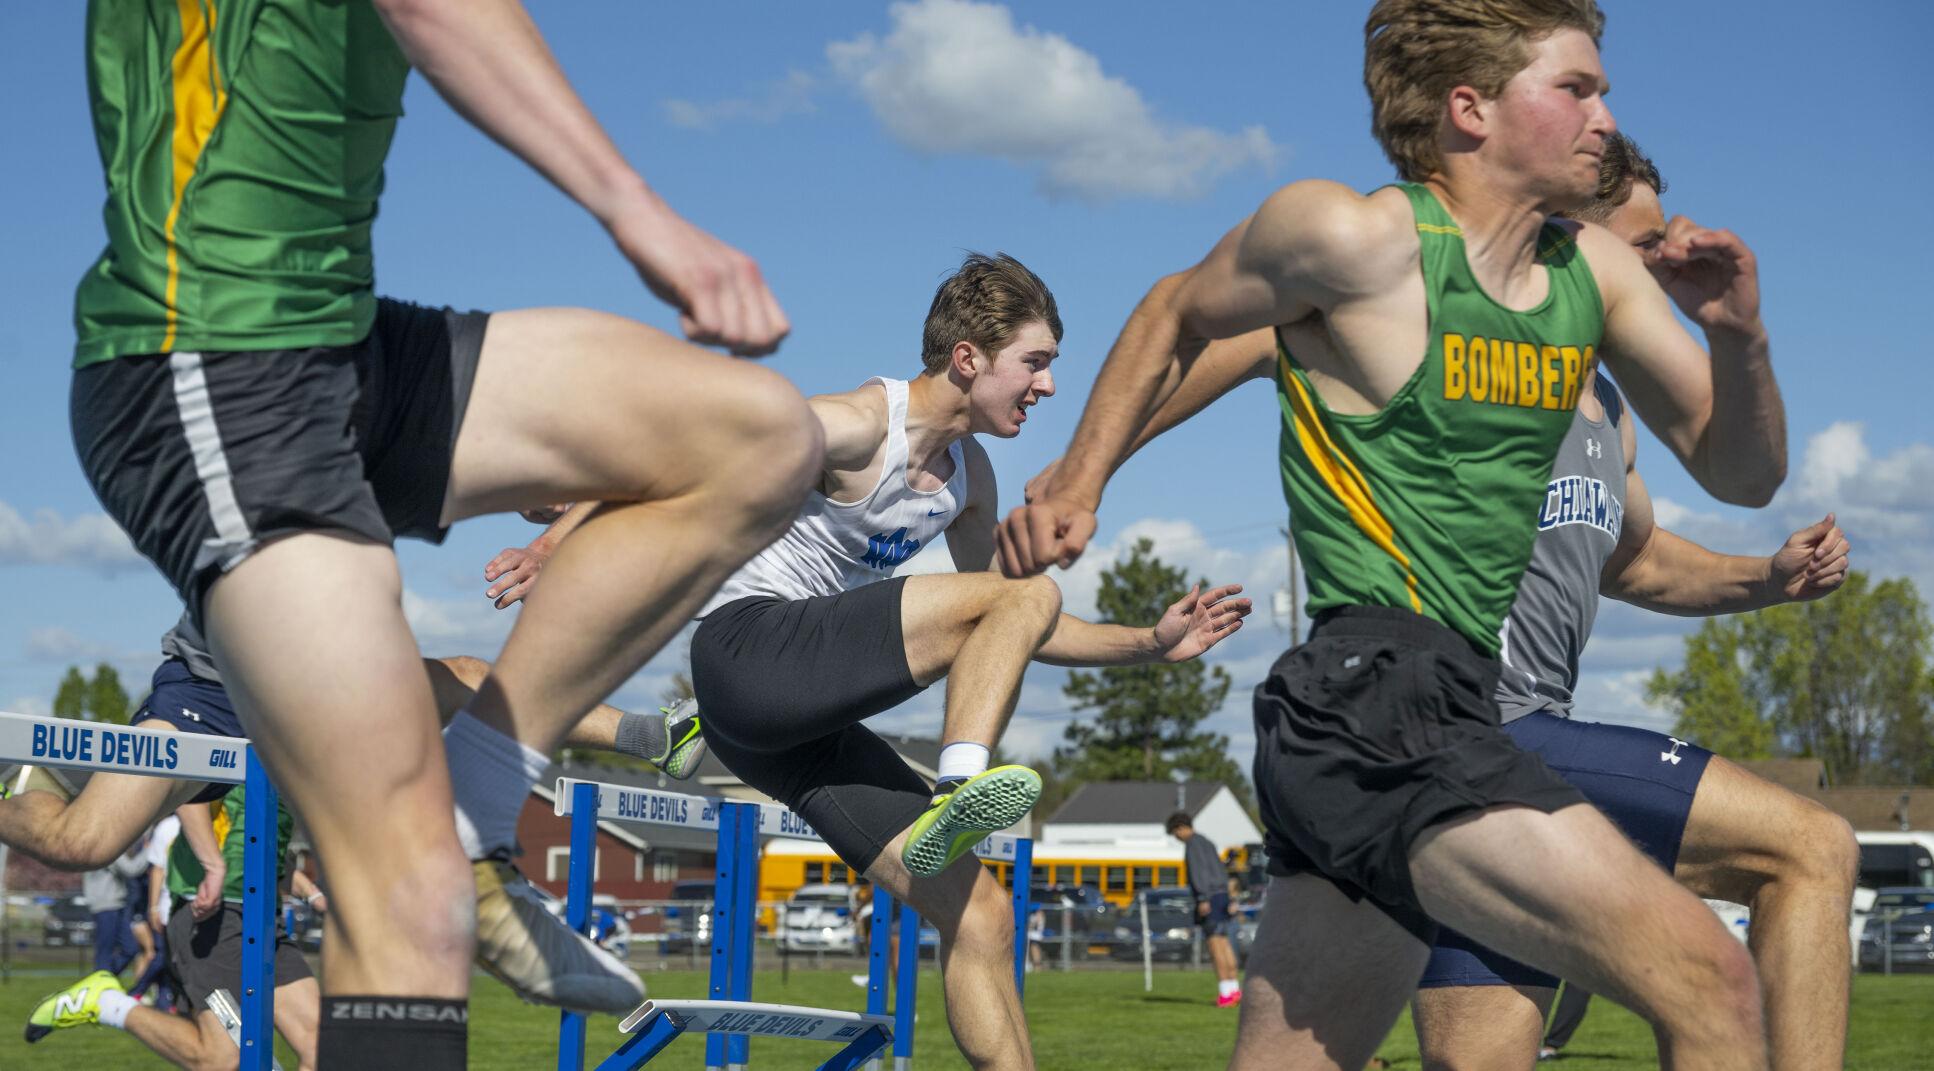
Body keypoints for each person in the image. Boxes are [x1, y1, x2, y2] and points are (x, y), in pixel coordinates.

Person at [999, 2, 1789, 1067]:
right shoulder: (1353, 236)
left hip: (1432, 706)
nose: (1605, 117)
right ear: (1469, 108)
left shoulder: (1590, 276)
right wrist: (1080, 480)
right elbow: (1176, 309)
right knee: (1710, 981)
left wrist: (1737, 336)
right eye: (1575, 89)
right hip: (1367, 695)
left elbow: (1741, 471)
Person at [70, 1, 821, 1063]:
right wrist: (632, 205)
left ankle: (483, 791)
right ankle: (440, 850)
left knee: (758, 439)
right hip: (209, 353)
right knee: (412, 898)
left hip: (348, 344)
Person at [514, 252, 1251, 1069]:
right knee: (1021, 593)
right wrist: (558, 534)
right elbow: (678, 441)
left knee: (983, 915)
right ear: (968, 358)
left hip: (789, 730)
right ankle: (960, 785)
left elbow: (1012, 623)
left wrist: (1150, 644)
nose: (1046, 387)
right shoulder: (860, 423)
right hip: (743, 651)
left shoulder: (970, 479)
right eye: (1035, 364)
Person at [1407, 133, 1858, 1071]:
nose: (1662, 261)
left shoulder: (1607, 403)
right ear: (1570, 232)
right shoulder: (1468, 342)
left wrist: (1766, 579)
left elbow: (1637, 563)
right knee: (1810, 847)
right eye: (1643, 242)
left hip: (1511, 767)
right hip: (1478, 727)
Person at [0, 615, 703, 1011]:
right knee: (82, 838)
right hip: (213, 694)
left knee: (467, 679)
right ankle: (22, 784)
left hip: (325, 687)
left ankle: (654, 735)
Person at [26, 784, 321, 1070]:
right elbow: (189, 793)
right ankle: (105, 1003)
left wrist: (316, 896)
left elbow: (268, 850)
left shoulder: (287, 760)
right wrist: (213, 867)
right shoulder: (244, 738)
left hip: (265, 916)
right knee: (223, 1058)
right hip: (211, 913)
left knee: (319, 1048)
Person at [1165, 813, 1240, 1007]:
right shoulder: (1207, 842)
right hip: (1223, 896)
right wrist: (1230, 898)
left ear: (1181, 828)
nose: (1176, 838)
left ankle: (1225, 993)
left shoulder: (1192, 845)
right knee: (1225, 944)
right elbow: (1220, 872)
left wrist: (1202, 898)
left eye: (1175, 833)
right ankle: (1234, 989)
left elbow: (1199, 874)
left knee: (1215, 946)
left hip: (1210, 898)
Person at [81, 839, 150, 978]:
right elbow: (131, 869)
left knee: (130, 948)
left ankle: (104, 980)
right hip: (106, 906)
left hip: (116, 904)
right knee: (105, 952)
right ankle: (101, 985)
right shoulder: (106, 848)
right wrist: (151, 850)